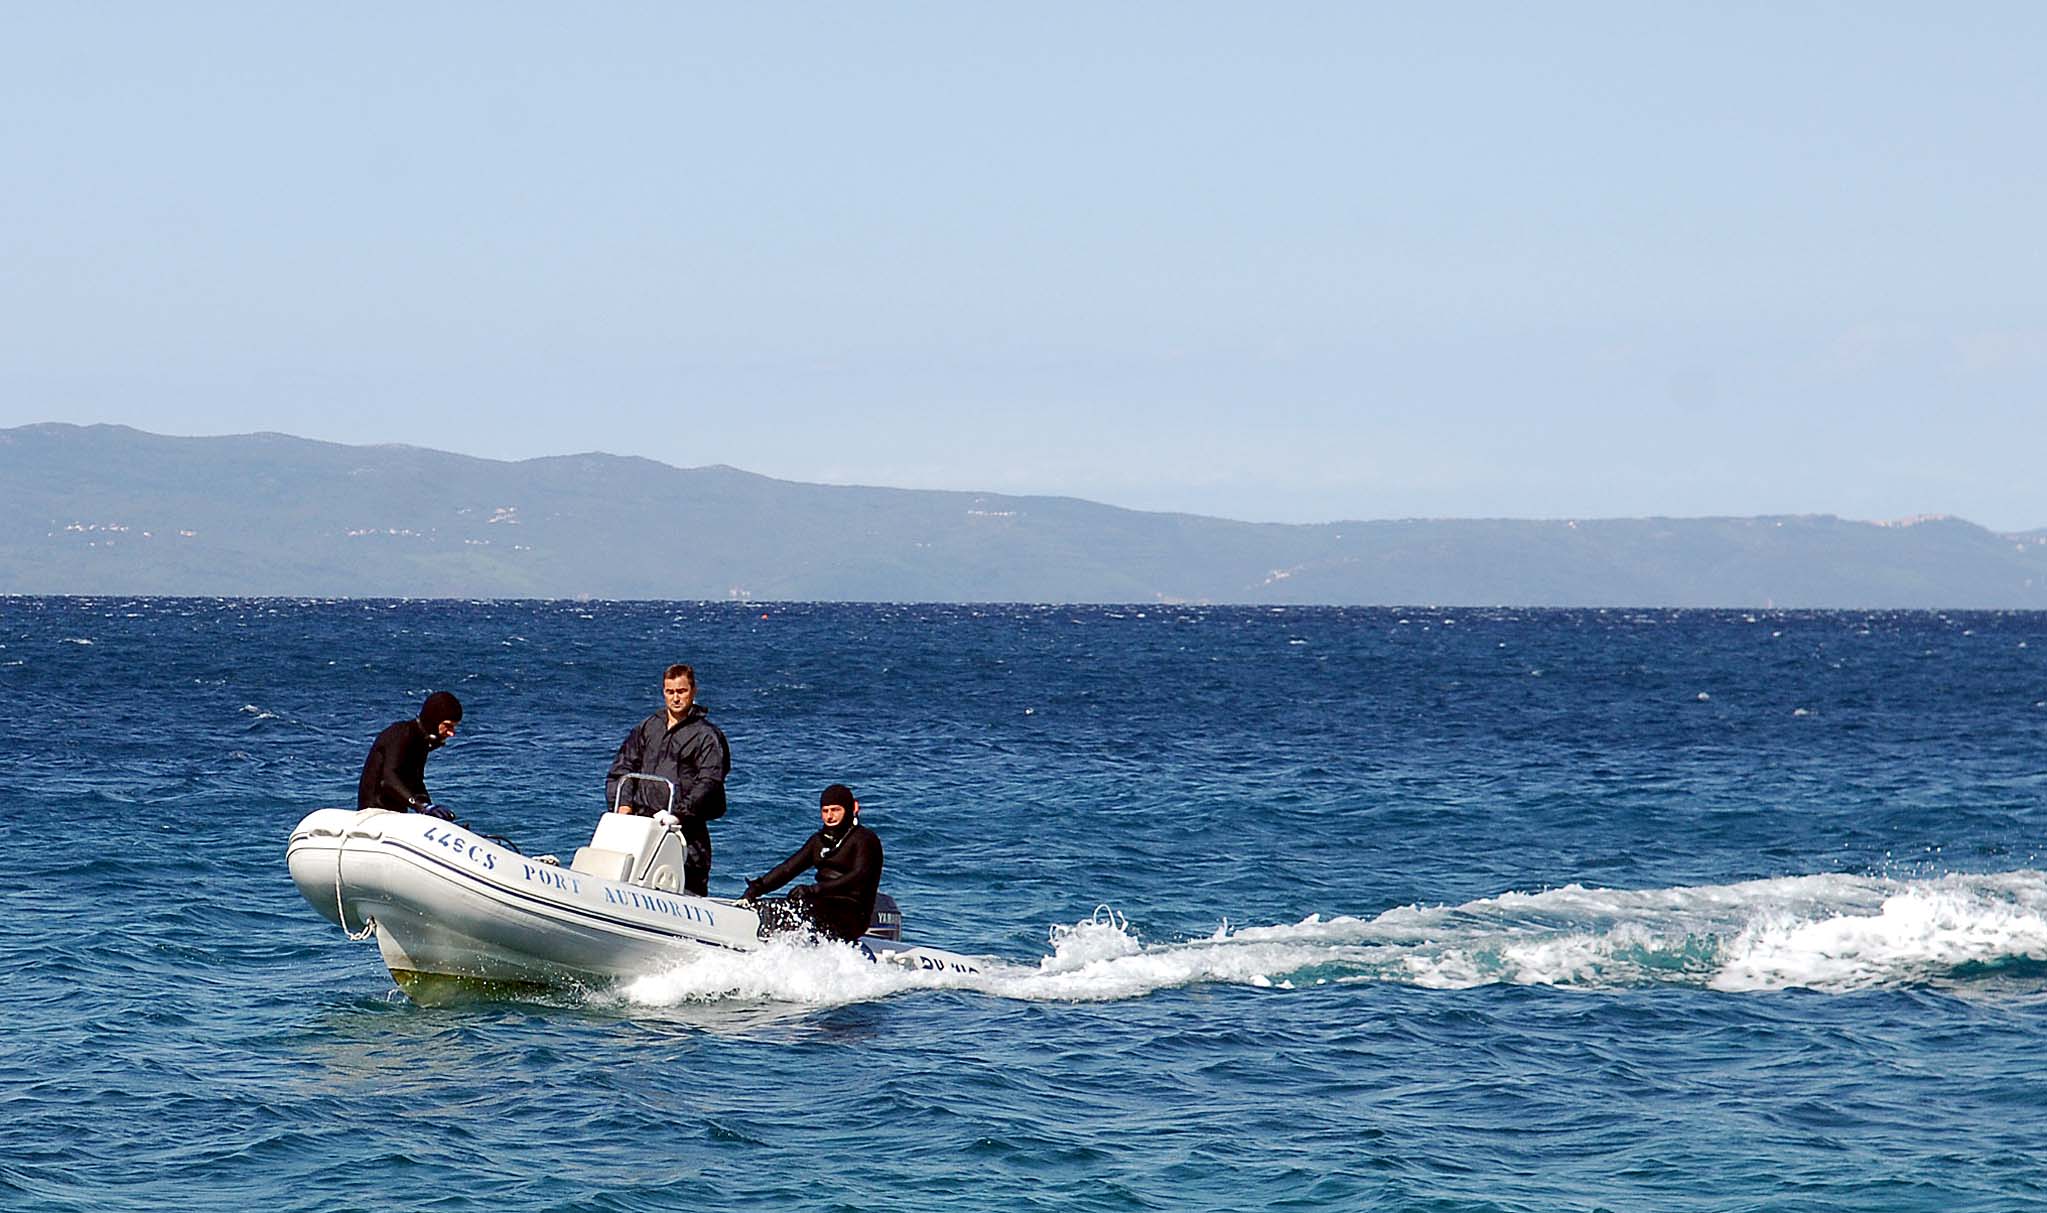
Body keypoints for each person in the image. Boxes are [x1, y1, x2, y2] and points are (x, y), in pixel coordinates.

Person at [606, 663, 730, 896]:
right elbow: (622, 767)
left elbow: (710, 781)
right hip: (640, 824)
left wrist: (679, 814)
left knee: (687, 887)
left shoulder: (706, 736)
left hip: (684, 830)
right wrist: (623, 805)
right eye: (670, 692)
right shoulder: (648, 727)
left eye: (681, 691)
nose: (675, 698)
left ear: (693, 691)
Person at [741, 783, 883, 943]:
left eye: (835, 810)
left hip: (852, 912)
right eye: (825, 811)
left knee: (799, 907)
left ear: (853, 808)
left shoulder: (865, 839)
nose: (830, 816)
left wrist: (815, 889)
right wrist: (756, 888)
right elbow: (788, 869)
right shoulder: (819, 841)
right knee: (772, 907)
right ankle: (769, 950)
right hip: (821, 903)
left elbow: (859, 875)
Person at [357, 691, 463, 818]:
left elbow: (416, 783)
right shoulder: (401, 734)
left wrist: (429, 808)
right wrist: (420, 806)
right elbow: (389, 780)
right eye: (447, 726)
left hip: (395, 815)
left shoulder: (421, 741)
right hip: (373, 813)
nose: (452, 733)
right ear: (434, 720)